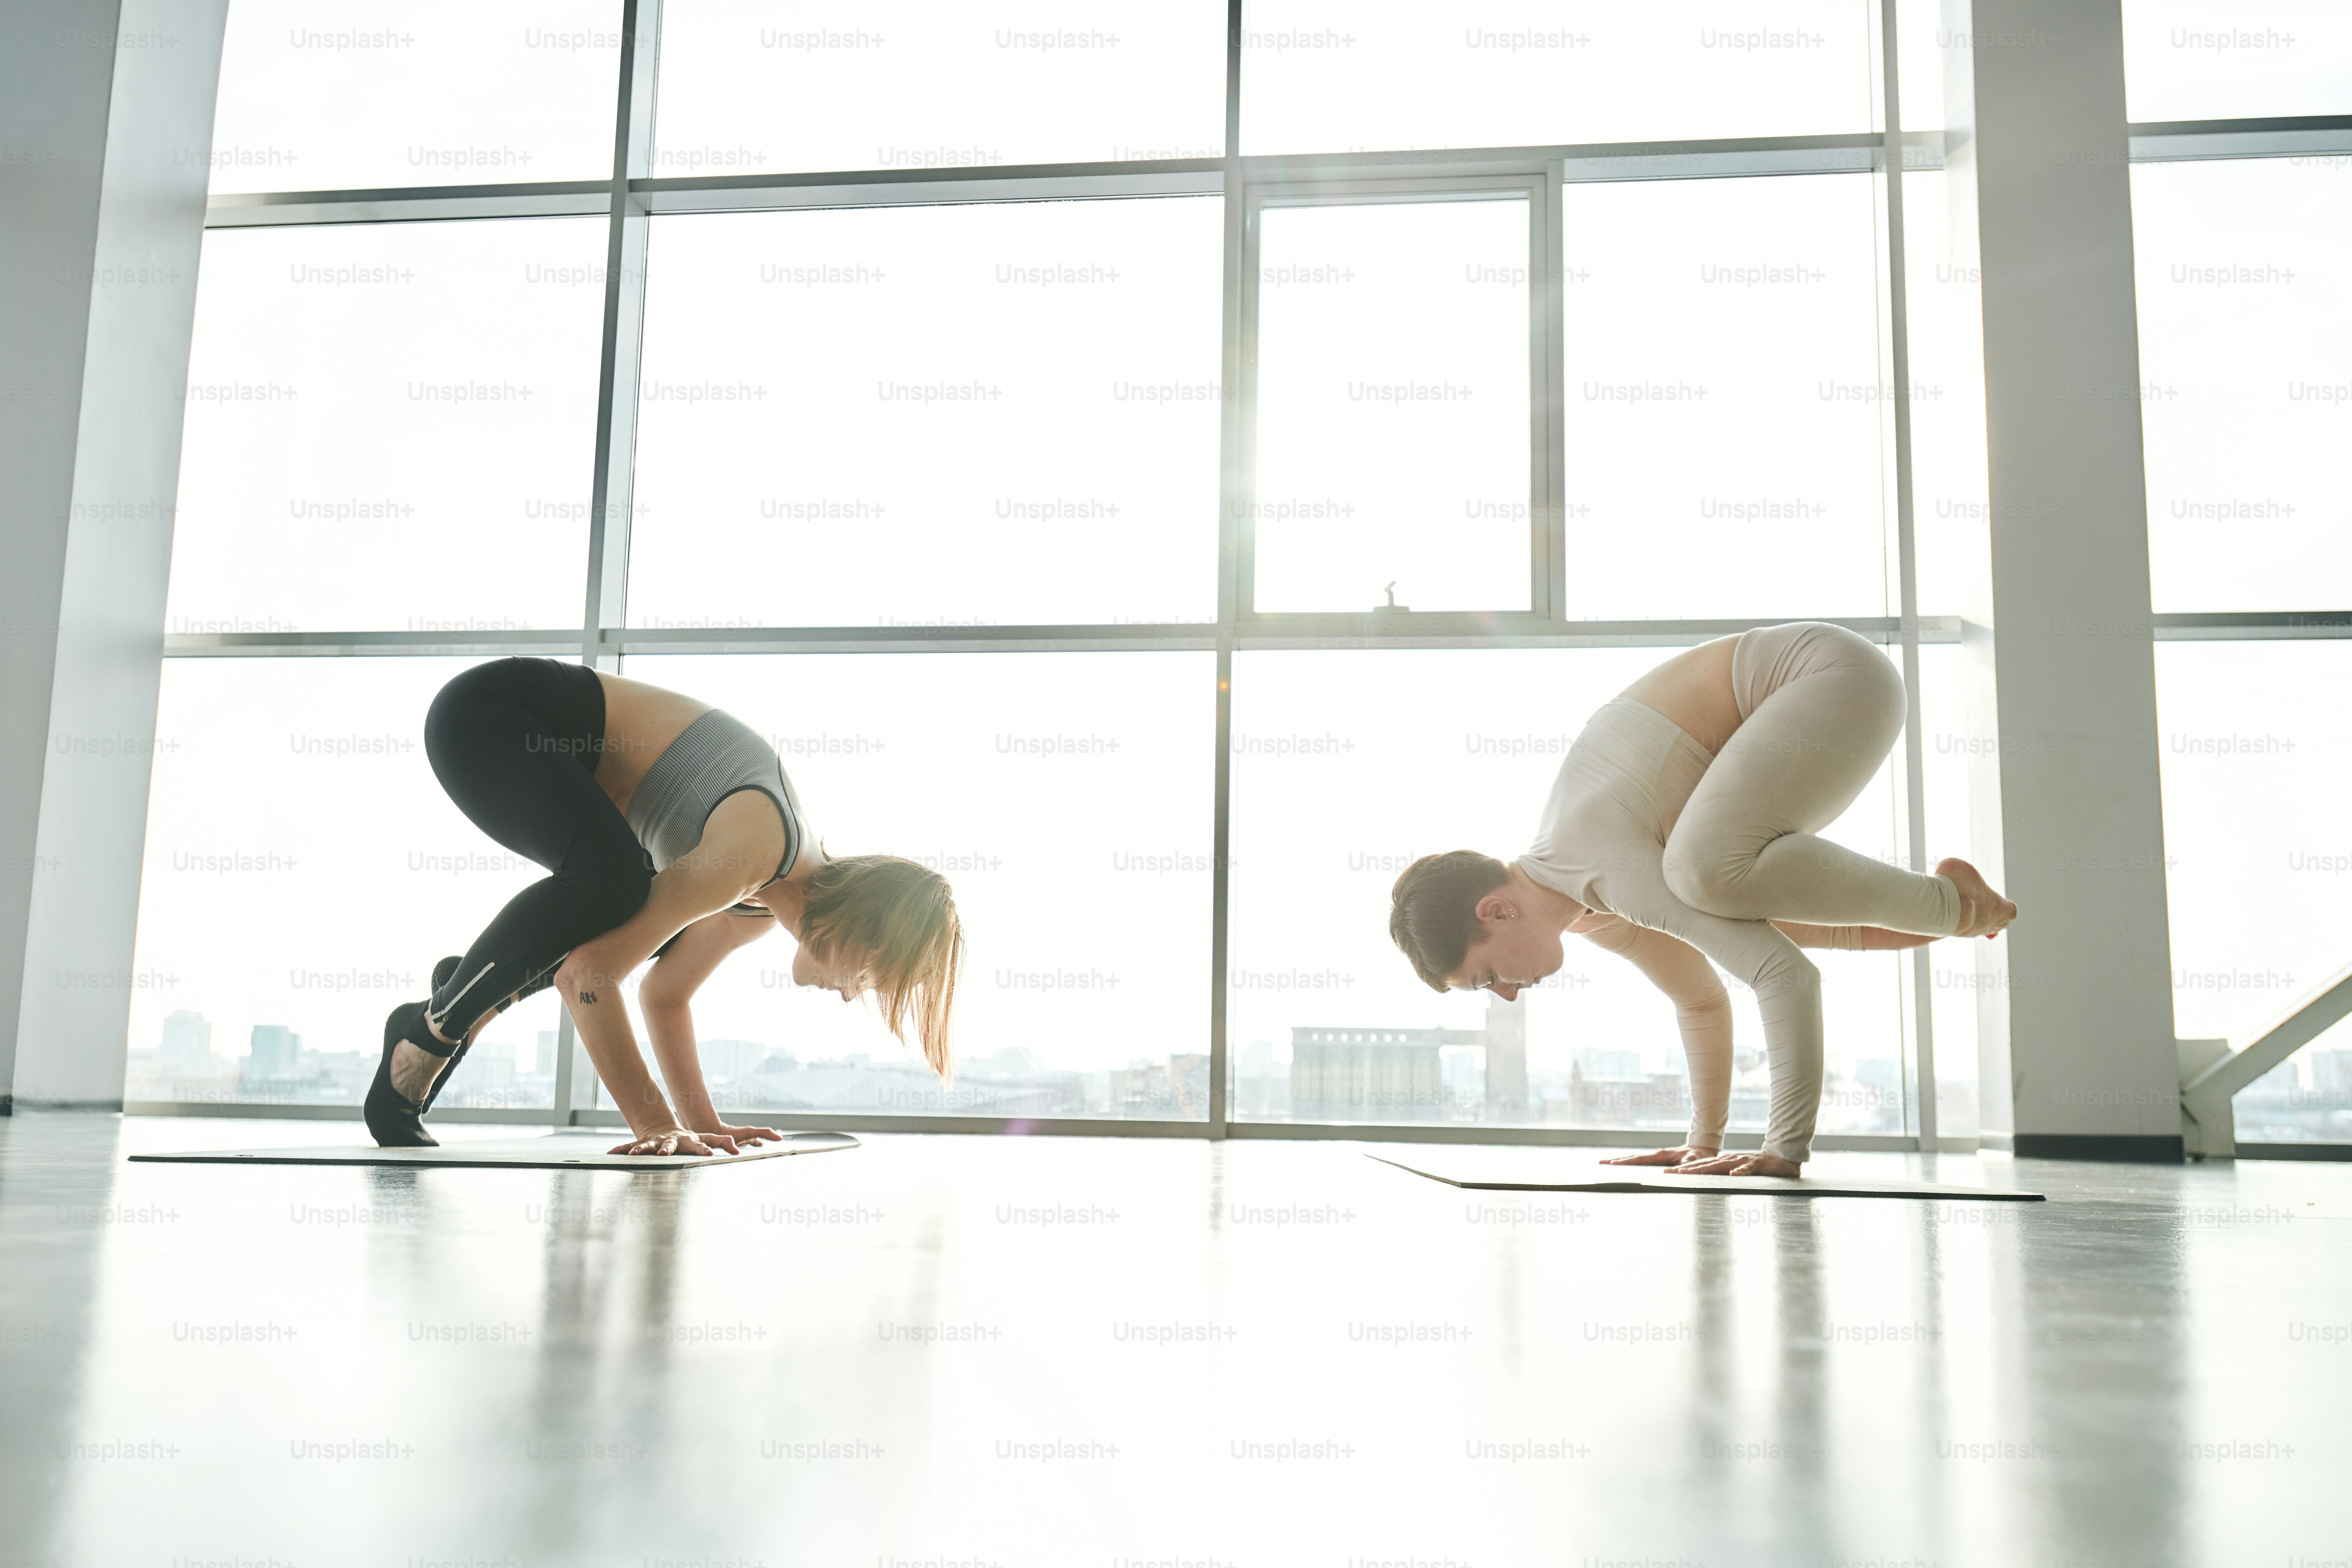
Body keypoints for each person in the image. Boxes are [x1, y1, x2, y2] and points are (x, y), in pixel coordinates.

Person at [1387, 621, 2014, 1178]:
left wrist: (1783, 1150)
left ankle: (1953, 901)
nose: (1506, 994)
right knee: (1716, 882)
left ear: (1496, 911)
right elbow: (1705, 998)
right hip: (1819, 692)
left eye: (1488, 976)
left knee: (1705, 873)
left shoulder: (1597, 864)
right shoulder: (1593, 909)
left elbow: (1783, 976)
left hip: (1826, 675)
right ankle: (1954, 905)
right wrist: (1701, 1143)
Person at [366, 656, 963, 1155]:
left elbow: (664, 995)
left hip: (541, 754)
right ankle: (433, 1032)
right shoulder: (760, 849)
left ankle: (472, 988)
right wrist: (654, 1126)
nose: (854, 992)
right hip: (492, 718)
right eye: (869, 973)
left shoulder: (757, 905)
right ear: (863, 927)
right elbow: (590, 978)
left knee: (625, 908)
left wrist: (701, 1124)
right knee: (615, 886)